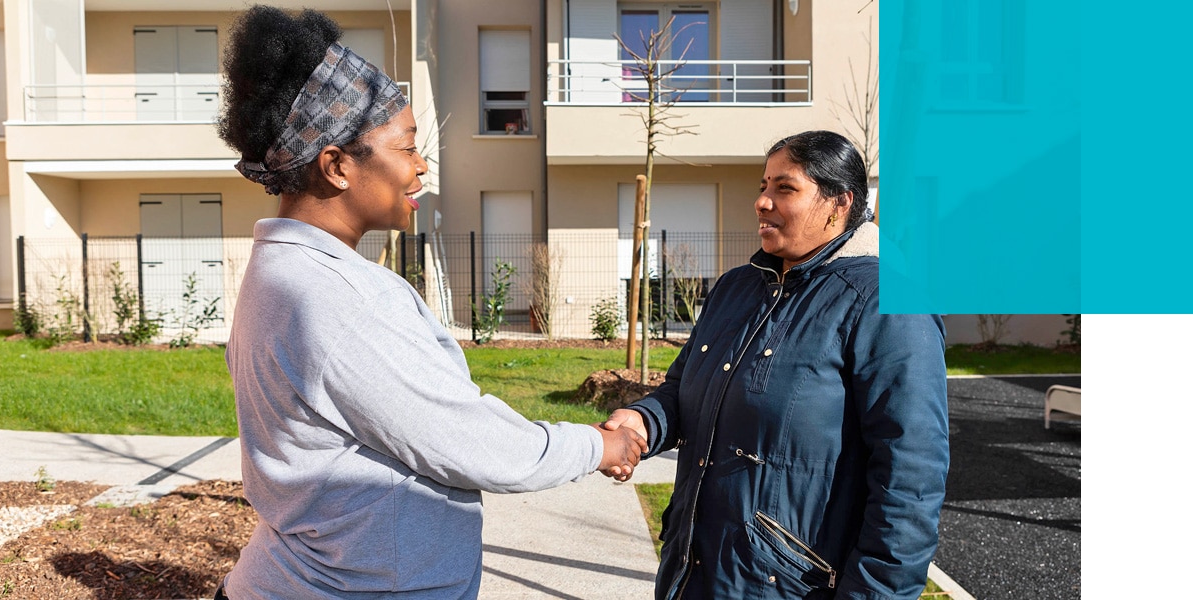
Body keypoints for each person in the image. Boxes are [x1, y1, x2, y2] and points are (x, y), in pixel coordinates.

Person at [214, 6, 645, 599]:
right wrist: (599, 445)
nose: (421, 167)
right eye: (407, 147)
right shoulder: (334, 297)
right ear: (336, 166)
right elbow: (472, 443)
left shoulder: (282, 270)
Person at [604, 130, 950, 599]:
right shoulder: (734, 288)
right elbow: (685, 389)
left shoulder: (884, 304)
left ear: (839, 203)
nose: (762, 202)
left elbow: (911, 479)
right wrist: (645, 420)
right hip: (695, 569)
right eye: (763, 187)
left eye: (784, 189)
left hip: (786, 586)